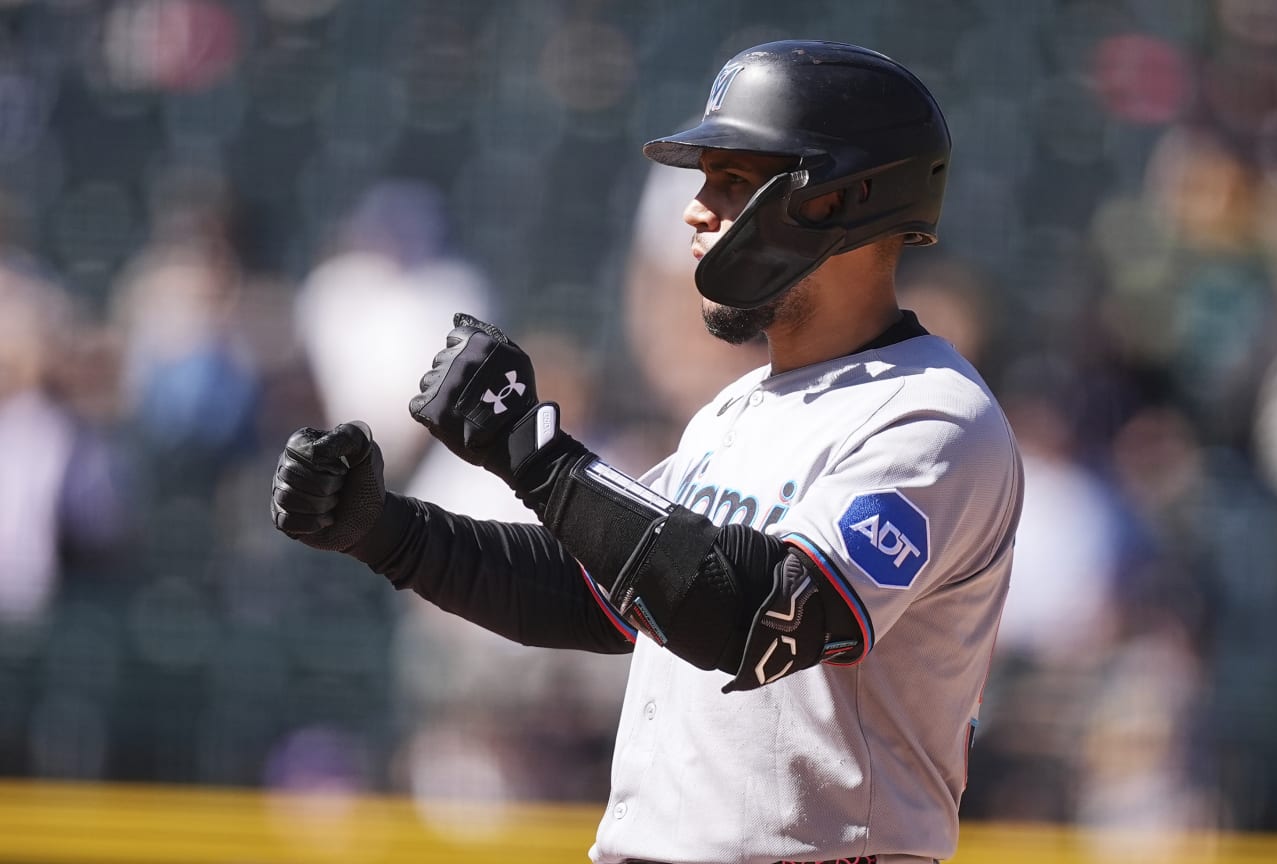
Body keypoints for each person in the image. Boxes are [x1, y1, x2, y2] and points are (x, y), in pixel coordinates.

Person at [269, 40, 1024, 864]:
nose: (696, 211)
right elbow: (592, 590)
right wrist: (386, 531)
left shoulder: (933, 416)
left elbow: (759, 616)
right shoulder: (737, 409)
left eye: (734, 182)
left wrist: (534, 455)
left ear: (843, 200)